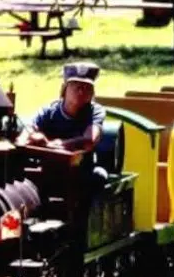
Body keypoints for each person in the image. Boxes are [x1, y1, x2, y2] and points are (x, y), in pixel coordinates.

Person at [18, 61, 110, 190]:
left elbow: (90, 140)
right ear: (64, 89)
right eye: (76, 86)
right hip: (48, 168)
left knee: (99, 176)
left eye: (86, 88)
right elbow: (26, 133)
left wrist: (60, 144)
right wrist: (30, 139)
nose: (81, 92)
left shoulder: (95, 111)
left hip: (81, 170)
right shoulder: (49, 111)